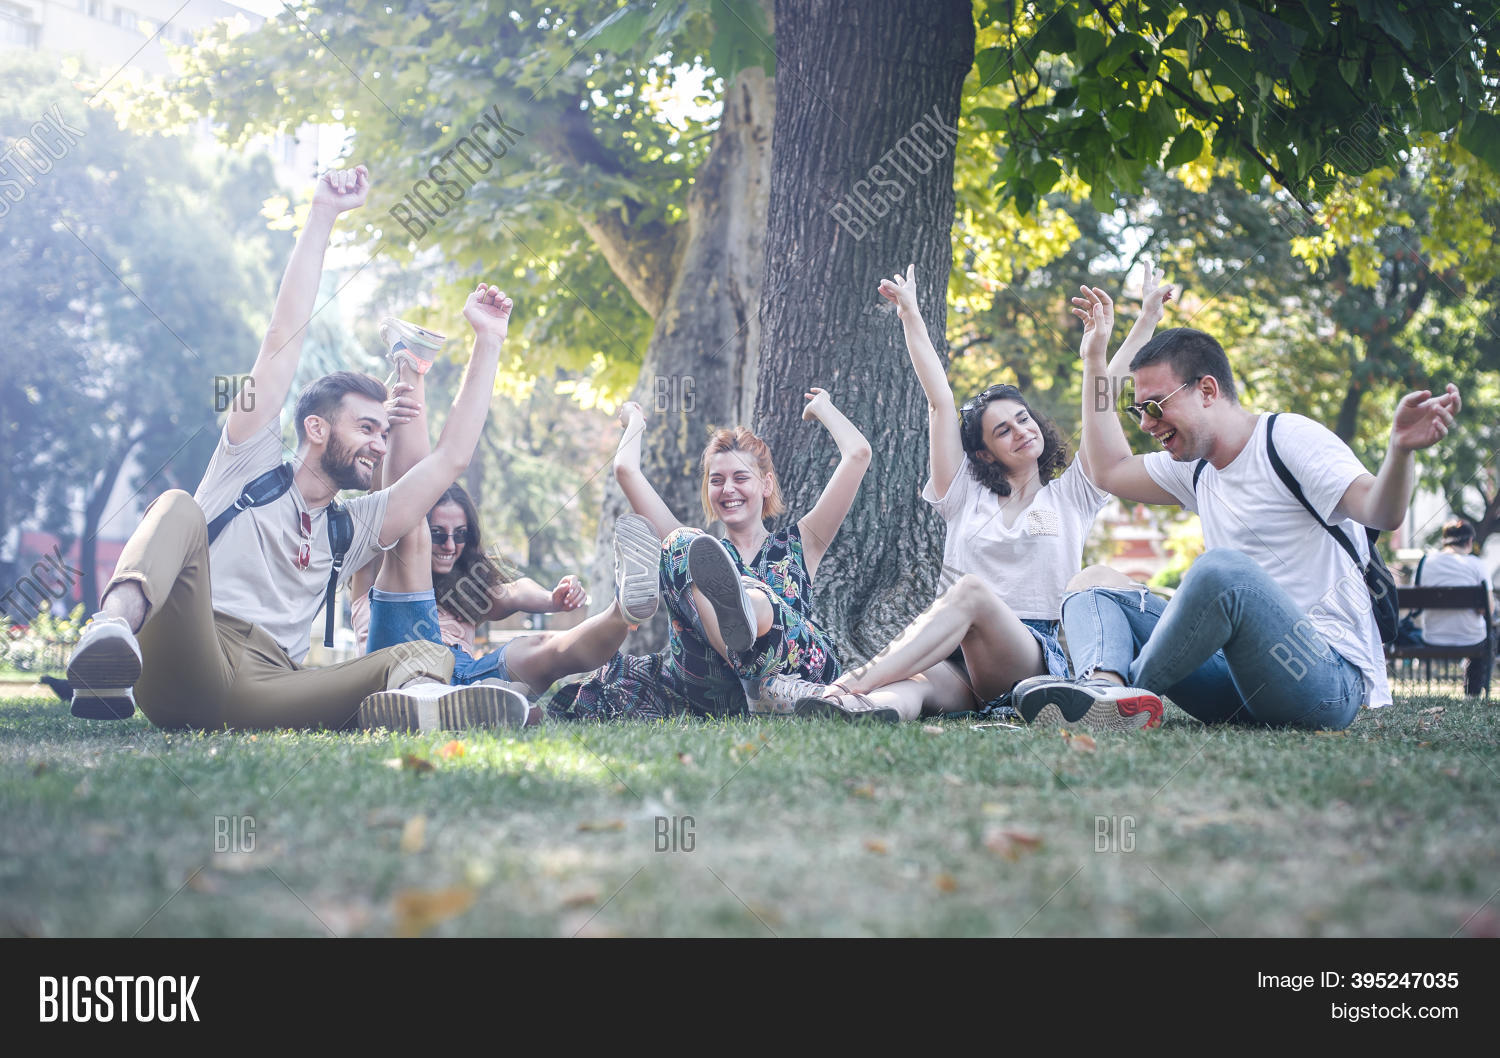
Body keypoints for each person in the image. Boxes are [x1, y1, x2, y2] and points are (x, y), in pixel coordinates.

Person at [64, 166, 518, 732]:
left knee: (426, 656)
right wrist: (324, 214)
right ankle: (108, 635)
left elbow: (450, 458)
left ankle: (424, 709)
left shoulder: (350, 528)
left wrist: (489, 341)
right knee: (177, 505)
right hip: (190, 658)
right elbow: (280, 342)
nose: (380, 444)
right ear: (317, 429)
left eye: (384, 431)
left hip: (270, 687)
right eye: (366, 428)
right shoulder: (247, 464)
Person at [1013, 281, 1462, 730]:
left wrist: (1400, 452)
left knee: (1222, 571)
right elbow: (1108, 468)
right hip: (1238, 681)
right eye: (1139, 412)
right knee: (1093, 582)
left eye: (1154, 406)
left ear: (1207, 390)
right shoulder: (1196, 468)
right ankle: (1105, 695)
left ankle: (1128, 687)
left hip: (1321, 679)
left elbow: (1381, 512)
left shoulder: (1286, 439)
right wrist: (1094, 362)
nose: (1147, 424)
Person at [788, 263, 1166, 729]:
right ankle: (855, 710)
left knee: (968, 591)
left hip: (1032, 656)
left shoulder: (1074, 494)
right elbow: (939, 402)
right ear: (984, 454)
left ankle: (847, 683)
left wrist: (1144, 321)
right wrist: (911, 315)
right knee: (914, 685)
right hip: (961, 661)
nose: (1021, 432)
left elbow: (1103, 398)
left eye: (1024, 419)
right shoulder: (963, 494)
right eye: (1003, 431)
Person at [346, 327, 663, 720]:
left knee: (544, 647)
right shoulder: (376, 564)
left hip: (461, 670)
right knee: (409, 526)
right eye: (439, 533)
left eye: (460, 535)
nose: (448, 544)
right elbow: (392, 500)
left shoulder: (465, 589)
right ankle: (410, 364)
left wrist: (551, 598)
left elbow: (513, 591)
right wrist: (387, 430)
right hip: (394, 668)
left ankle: (624, 611)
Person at [550, 389, 871, 720]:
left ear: (766, 485)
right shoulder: (700, 553)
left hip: (793, 674)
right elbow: (626, 471)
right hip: (720, 689)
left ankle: (753, 629)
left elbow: (858, 454)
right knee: (679, 541)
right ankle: (750, 677)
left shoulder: (804, 541)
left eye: (740, 477)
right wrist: (633, 422)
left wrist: (824, 408)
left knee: (757, 601)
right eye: (717, 480)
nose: (727, 489)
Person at [1415, 518, 1494, 696]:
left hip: (1432, 637)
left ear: (1444, 541)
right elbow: (1488, 610)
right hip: (1471, 639)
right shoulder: (1477, 565)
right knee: (1489, 638)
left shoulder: (1426, 563)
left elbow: (1417, 602)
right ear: (1469, 541)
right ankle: (1472, 694)